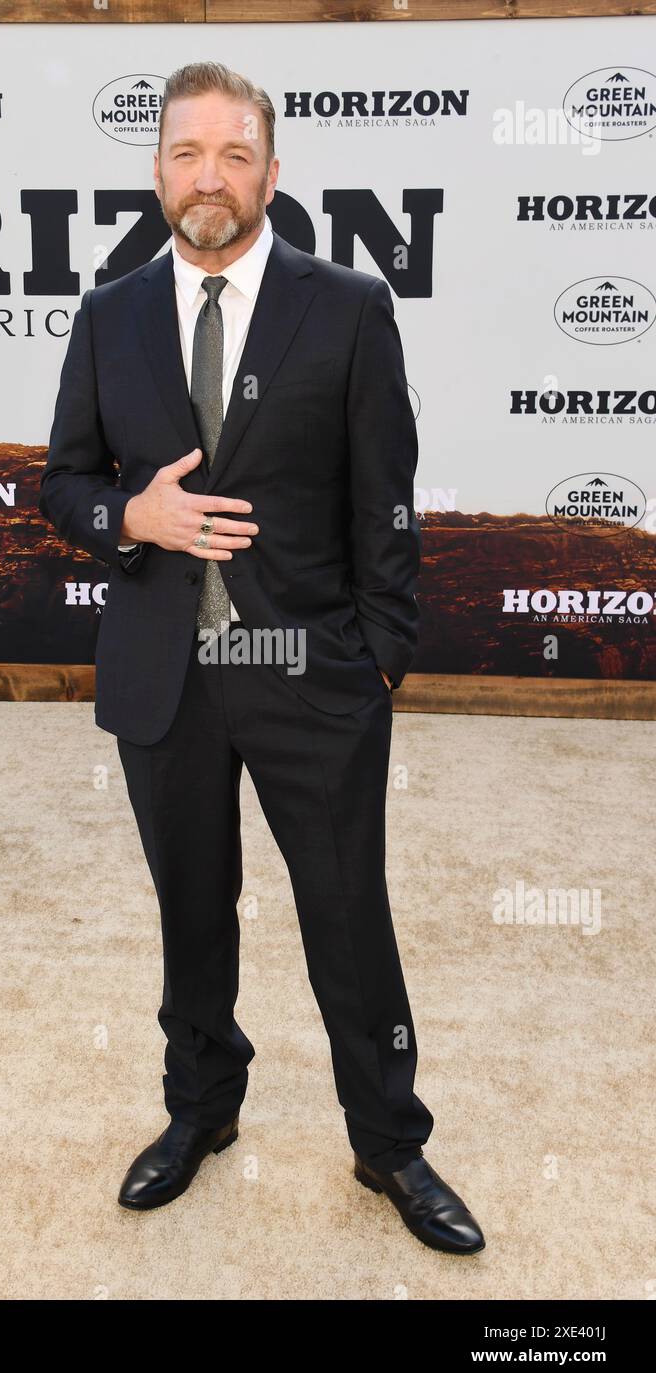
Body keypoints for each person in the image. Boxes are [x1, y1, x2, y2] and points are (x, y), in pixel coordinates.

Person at [39, 61, 484, 1255]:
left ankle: (388, 1141)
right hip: (162, 676)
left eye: (235, 155)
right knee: (194, 913)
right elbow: (63, 480)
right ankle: (201, 1113)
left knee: (347, 913)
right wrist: (130, 518)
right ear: (156, 172)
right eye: (188, 153)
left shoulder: (343, 306)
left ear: (273, 175)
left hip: (311, 674)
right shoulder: (109, 313)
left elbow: (386, 501)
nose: (209, 177)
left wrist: (377, 658)